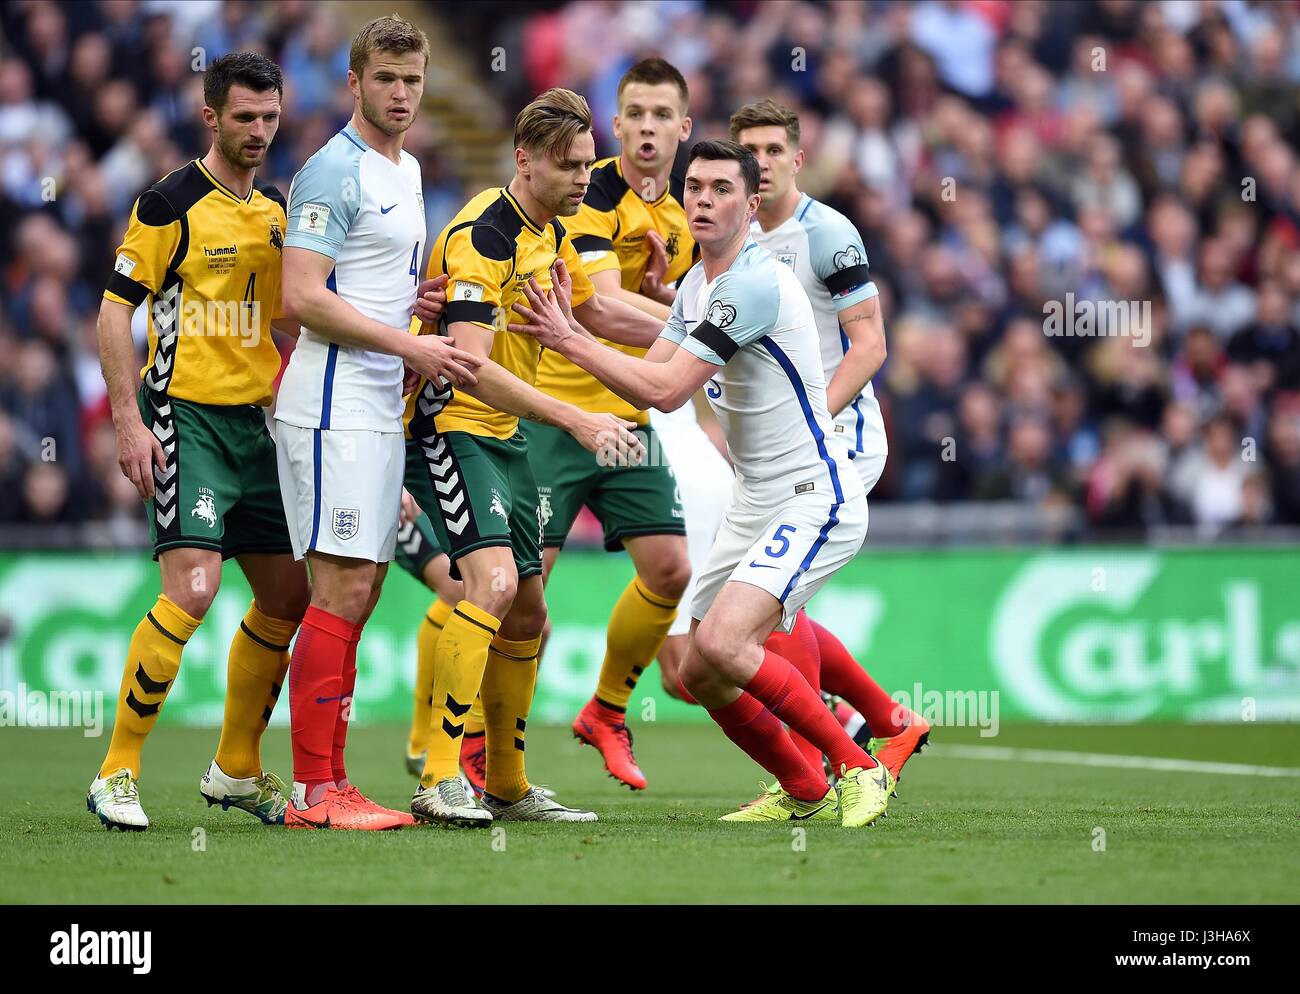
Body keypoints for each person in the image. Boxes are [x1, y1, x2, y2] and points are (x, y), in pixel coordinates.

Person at [510, 140, 893, 827]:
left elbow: (662, 390)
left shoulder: (752, 282)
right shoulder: (696, 286)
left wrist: (570, 339)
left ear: (749, 205)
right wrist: (578, 334)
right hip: (757, 501)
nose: (703, 200)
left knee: (722, 646)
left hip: (815, 494)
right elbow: (648, 364)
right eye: (694, 189)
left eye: (720, 189)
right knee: (695, 669)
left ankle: (861, 768)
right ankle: (803, 784)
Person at [405, 87, 663, 825]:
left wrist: (708, 333)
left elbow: (598, 311)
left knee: (527, 614)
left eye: (587, 163)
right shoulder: (483, 235)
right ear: (523, 159)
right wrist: (576, 418)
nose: (584, 177)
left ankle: (508, 786)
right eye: (567, 164)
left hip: (507, 435)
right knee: (487, 587)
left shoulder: (548, 232)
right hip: (453, 425)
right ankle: (440, 775)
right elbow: (468, 363)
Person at [88, 52, 307, 832]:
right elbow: (115, 313)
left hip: (259, 423)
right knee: (193, 589)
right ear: (211, 116)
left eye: (270, 117)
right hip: (186, 417)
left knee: (289, 595)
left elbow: (283, 315)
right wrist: (127, 419)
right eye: (244, 117)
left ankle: (236, 771)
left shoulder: (278, 208)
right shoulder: (168, 202)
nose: (258, 131)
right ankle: (116, 770)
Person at [275, 14, 481, 830]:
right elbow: (302, 296)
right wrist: (409, 343)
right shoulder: (333, 171)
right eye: (386, 80)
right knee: (340, 589)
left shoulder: (409, 168)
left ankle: (331, 783)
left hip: (374, 408)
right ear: (354, 83)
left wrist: (413, 306)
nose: (402, 94)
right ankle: (312, 793)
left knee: (356, 592)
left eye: (414, 80)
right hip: (331, 407)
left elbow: (366, 282)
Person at [732, 98, 930, 802]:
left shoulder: (827, 234)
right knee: (770, 602)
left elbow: (871, 344)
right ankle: (887, 722)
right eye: (746, 151)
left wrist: (808, 419)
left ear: (796, 157)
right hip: (775, 445)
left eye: (771, 150)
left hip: (838, 436)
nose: (759, 163)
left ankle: (825, 768)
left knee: (764, 607)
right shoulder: (738, 237)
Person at [528, 57, 710, 790]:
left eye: (661, 115)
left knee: (671, 569)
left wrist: (676, 302)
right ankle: (471, 751)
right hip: (554, 410)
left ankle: (605, 710)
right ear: (616, 121)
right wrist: (708, 324)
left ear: (684, 127)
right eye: (634, 112)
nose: (646, 128)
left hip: (628, 414)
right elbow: (599, 305)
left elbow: (660, 325)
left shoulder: (691, 207)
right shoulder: (593, 190)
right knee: (518, 602)